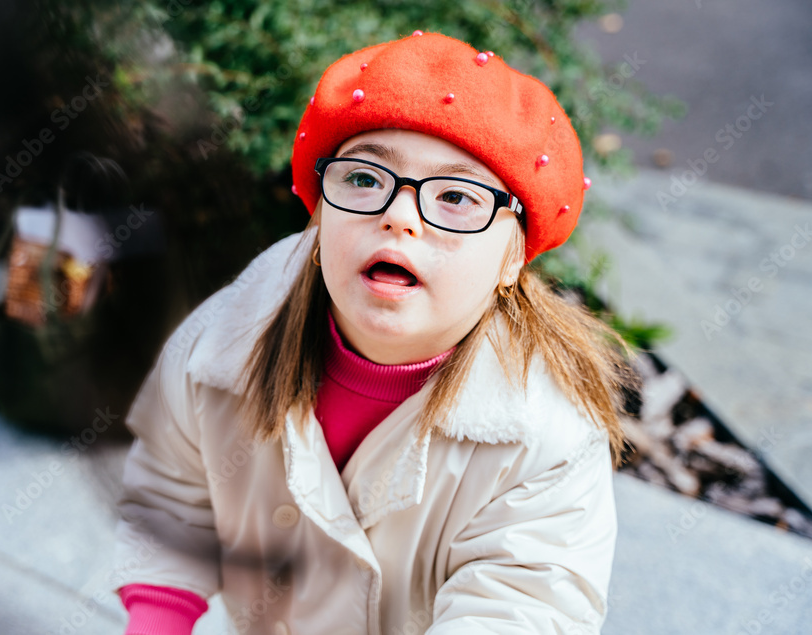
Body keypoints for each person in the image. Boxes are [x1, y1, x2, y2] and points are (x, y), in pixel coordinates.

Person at [107, 31, 638, 635]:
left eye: (457, 197)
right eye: (365, 179)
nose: (399, 216)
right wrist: (158, 620)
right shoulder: (222, 343)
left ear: (512, 260)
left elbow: (525, 605)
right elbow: (174, 488)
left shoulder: (545, 436)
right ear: (320, 213)